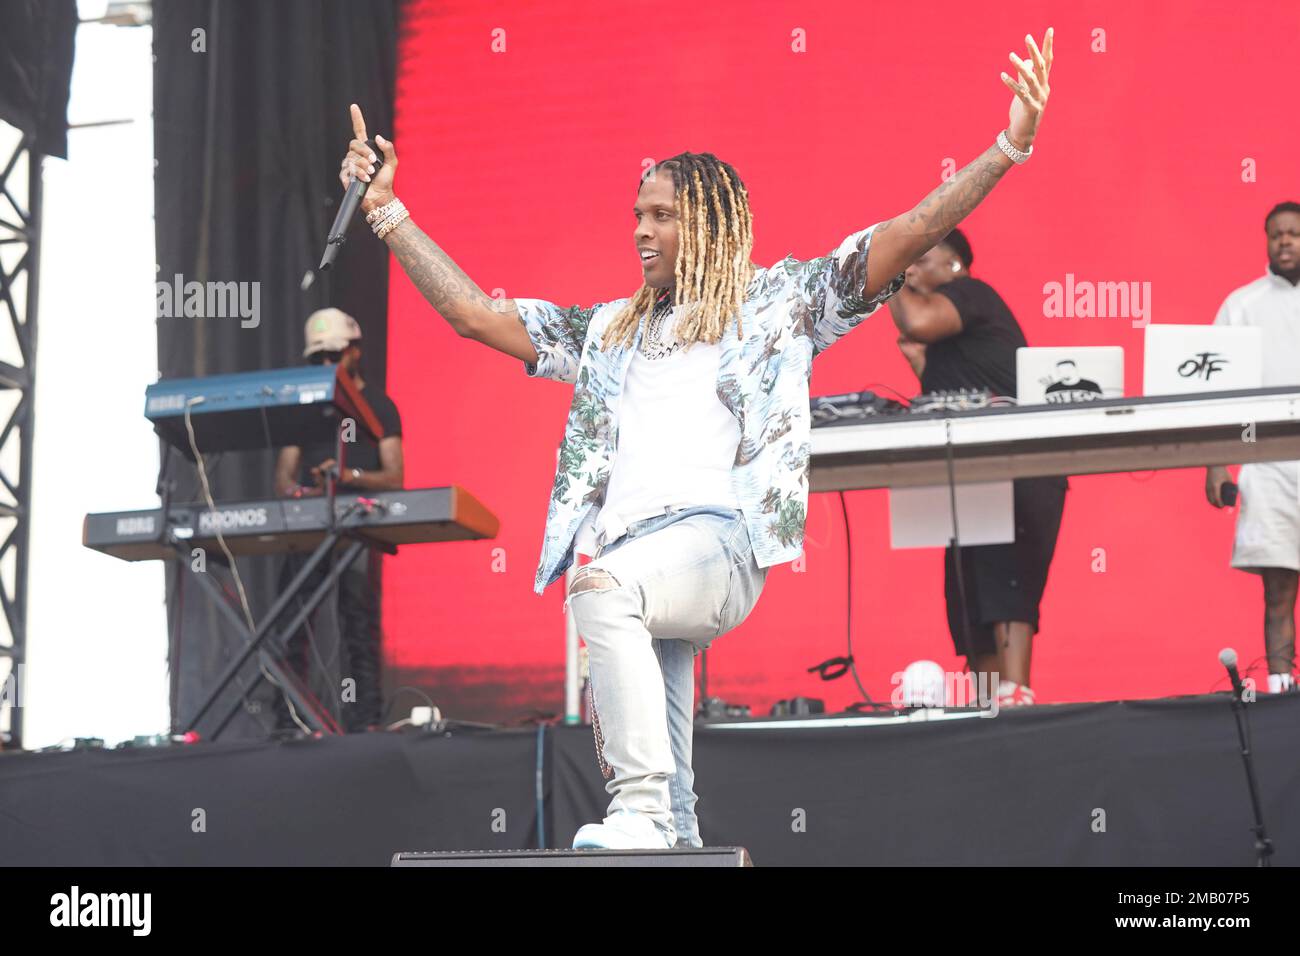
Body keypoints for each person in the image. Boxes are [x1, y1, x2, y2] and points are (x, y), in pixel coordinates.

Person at [341, 28, 1055, 848]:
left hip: (717, 547)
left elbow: (901, 233)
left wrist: (1007, 148)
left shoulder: (777, 304)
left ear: (710, 223)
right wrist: (388, 212)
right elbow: (474, 315)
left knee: (601, 590)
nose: (640, 230)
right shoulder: (608, 330)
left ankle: (636, 805)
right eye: (636, 214)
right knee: (674, 807)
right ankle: (667, 825)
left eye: (661, 215)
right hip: (644, 551)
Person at [886, 228, 1066, 708]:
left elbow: (919, 321)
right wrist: (923, 367)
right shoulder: (957, 334)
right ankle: (989, 703)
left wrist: (887, 270)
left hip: (1018, 460)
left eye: (922, 260)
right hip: (974, 469)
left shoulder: (971, 292)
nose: (914, 269)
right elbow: (950, 395)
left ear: (954, 265)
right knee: (968, 594)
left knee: (1005, 578)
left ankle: (1015, 692)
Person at [271, 308, 404, 733]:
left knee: (358, 622)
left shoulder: (379, 406)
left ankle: (364, 721)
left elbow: (395, 476)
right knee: (291, 621)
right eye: (318, 359)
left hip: (358, 525)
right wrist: (303, 493)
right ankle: (290, 719)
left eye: (333, 355)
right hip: (311, 524)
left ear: (354, 352)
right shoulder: (304, 409)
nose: (326, 366)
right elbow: (282, 477)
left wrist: (348, 477)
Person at [1206, 201, 1300, 694]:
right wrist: (1216, 464)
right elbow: (1213, 393)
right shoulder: (1241, 305)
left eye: (1294, 234)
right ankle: (1284, 693)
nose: (1285, 242)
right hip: (1268, 463)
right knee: (1279, 591)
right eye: (1276, 234)